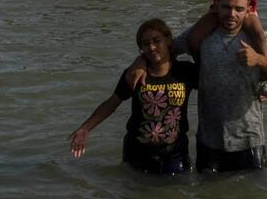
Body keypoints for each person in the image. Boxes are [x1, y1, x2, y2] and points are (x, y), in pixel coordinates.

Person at [128, 0, 267, 173]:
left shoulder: (261, 39)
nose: (231, 14)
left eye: (239, 9)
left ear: (249, 11)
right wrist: (140, 62)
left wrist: (260, 60)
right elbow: (162, 51)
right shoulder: (202, 36)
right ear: (216, 6)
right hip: (208, 142)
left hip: (249, 141)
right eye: (226, 7)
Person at [68, 19, 197, 175]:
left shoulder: (186, 71)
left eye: (157, 41)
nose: (152, 47)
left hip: (175, 152)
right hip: (138, 152)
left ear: (168, 40)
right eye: (145, 44)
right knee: (137, 195)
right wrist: (85, 128)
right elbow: (112, 102)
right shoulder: (134, 74)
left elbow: (212, 87)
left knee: (176, 195)